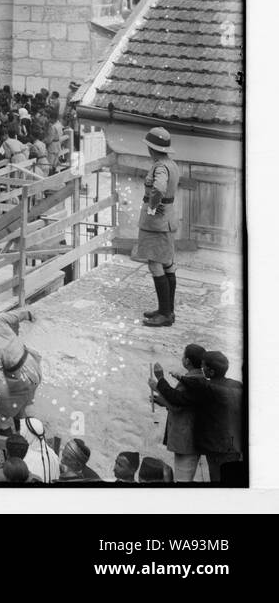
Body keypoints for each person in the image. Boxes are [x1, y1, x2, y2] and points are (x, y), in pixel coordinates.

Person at [152, 350, 243, 483]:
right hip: (234, 445)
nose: (202, 368)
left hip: (217, 447)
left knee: (219, 481)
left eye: (204, 366)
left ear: (211, 372)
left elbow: (177, 398)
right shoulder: (236, 385)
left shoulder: (209, 389)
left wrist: (160, 379)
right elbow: (198, 385)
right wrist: (180, 377)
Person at [133, 127, 182, 327]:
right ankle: (168, 311)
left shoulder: (160, 167)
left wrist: (153, 206)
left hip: (157, 224)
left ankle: (165, 314)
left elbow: (159, 188)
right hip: (167, 220)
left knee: (155, 264)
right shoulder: (172, 164)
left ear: (151, 149)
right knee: (167, 263)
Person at [150, 343, 206, 482]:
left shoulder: (193, 381)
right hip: (188, 438)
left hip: (185, 439)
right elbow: (179, 403)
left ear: (187, 360)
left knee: (183, 479)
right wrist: (161, 398)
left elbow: (177, 404)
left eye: (183, 355)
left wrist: (159, 382)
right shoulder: (197, 379)